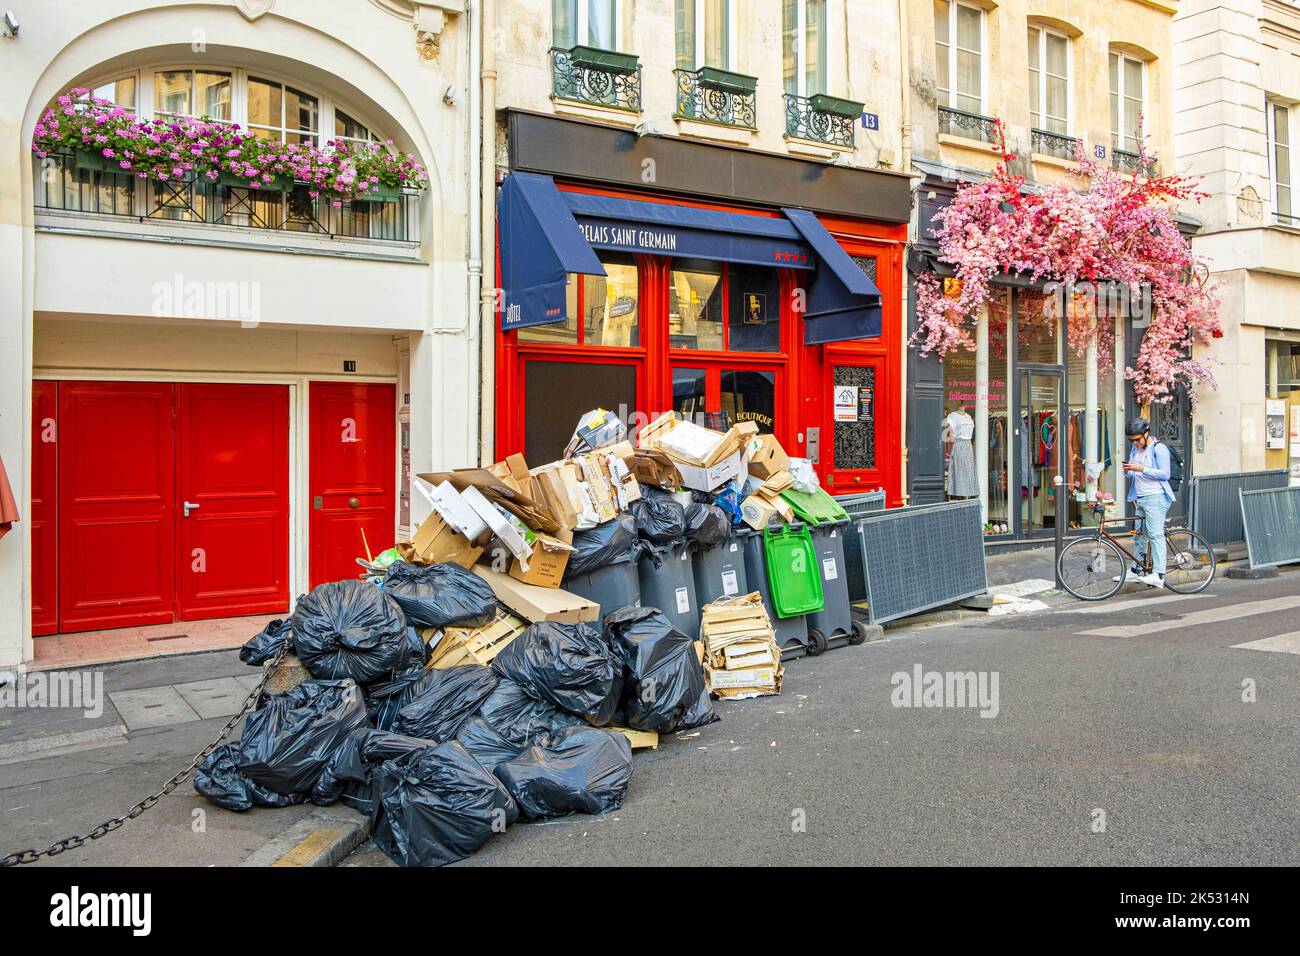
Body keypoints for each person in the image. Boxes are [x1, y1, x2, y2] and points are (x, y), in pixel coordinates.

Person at [1115, 417, 1176, 588]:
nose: (1134, 443)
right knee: (1139, 536)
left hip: (1156, 497)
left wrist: (1140, 468)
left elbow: (1165, 474)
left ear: (1146, 434)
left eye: (1137, 439)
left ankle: (1159, 574)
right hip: (1140, 499)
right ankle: (1136, 571)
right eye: (1131, 440)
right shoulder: (1135, 451)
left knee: (1155, 535)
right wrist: (1128, 471)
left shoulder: (1159, 448)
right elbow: (1135, 475)